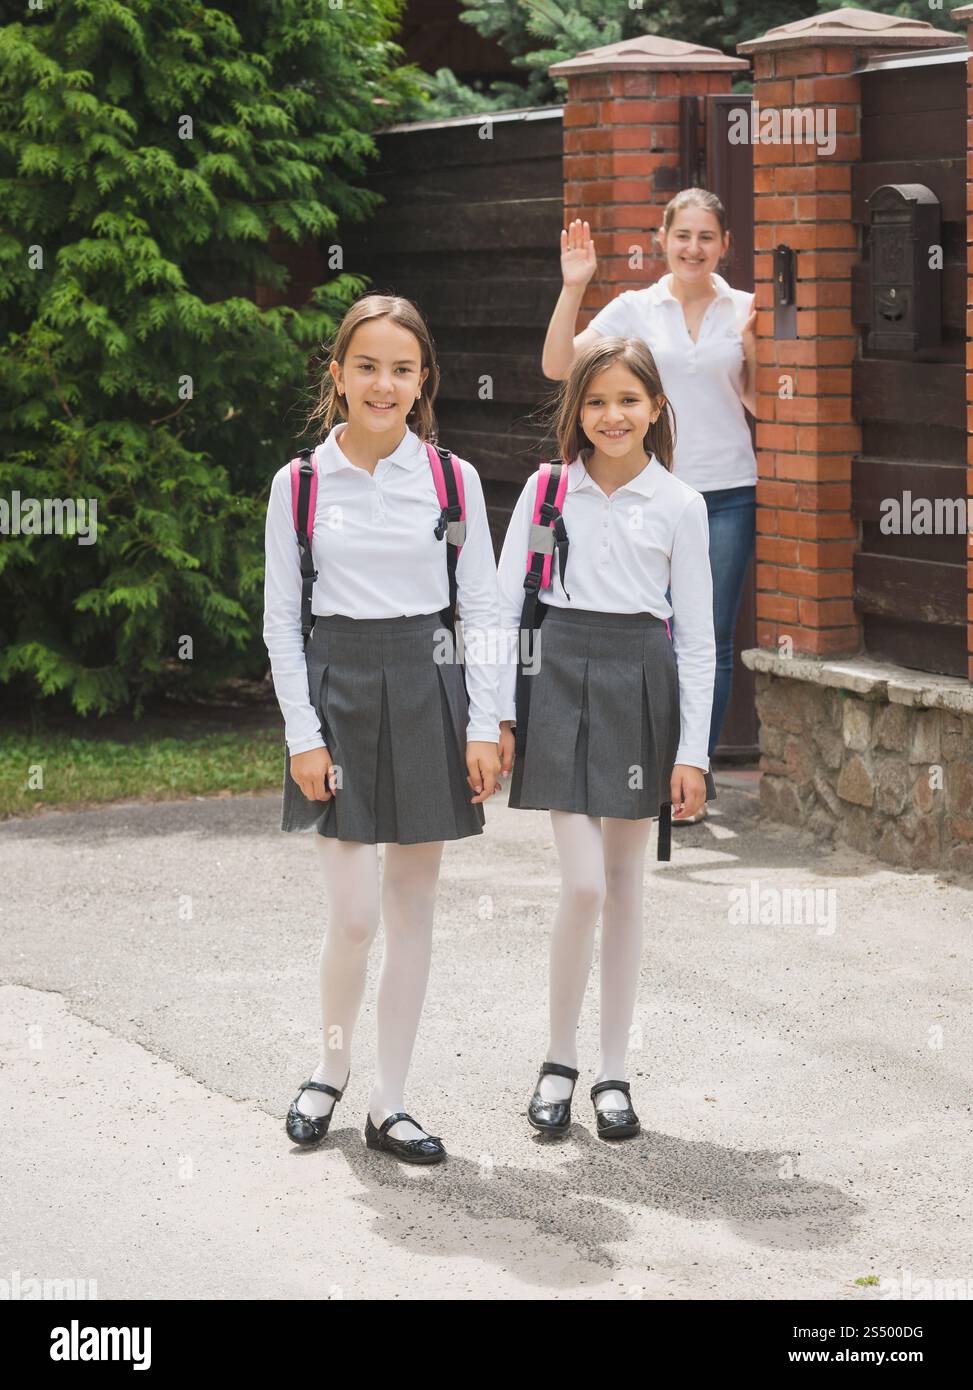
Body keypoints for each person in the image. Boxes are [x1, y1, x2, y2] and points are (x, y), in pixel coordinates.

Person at [263, 294, 502, 1164]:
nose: (383, 383)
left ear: (422, 380)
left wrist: (486, 723)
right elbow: (281, 623)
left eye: (402, 368)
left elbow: (479, 605)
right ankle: (326, 1072)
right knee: (355, 915)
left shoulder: (451, 480)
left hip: (427, 684)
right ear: (338, 374)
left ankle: (389, 1102)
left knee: (412, 909)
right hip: (336, 694)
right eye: (366, 365)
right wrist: (302, 734)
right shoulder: (299, 485)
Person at [497, 335, 716, 1140]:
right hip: (558, 674)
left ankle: (613, 1074)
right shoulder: (547, 489)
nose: (611, 415)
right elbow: (495, 607)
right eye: (595, 401)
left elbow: (695, 637)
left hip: (640, 680)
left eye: (628, 400)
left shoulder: (680, 505)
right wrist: (497, 717)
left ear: (655, 407)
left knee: (625, 888)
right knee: (583, 884)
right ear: (575, 411)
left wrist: (692, 750)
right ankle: (558, 1060)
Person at [541, 188, 756, 823]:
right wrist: (574, 287)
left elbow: (765, 405)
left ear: (724, 245)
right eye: (682, 235)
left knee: (705, 636)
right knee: (647, 634)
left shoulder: (744, 309)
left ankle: (694, 777)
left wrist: (762, 349)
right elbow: (558, 366)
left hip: (726, 493)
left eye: (707, 237)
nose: (694, 248)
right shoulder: (635, 307)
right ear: (662, 239)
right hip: (646, 492)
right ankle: (644, 765)